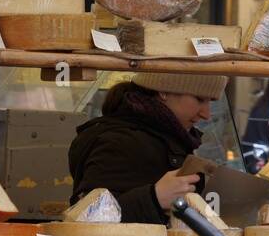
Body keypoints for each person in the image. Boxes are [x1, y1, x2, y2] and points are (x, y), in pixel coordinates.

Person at [68, 72, 228, 224]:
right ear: (164, 91)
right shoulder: (119, 141)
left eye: (210, 102)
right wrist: (154, 197)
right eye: (200, 99)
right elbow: (88, 218)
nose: (206, 114)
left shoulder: (171, 138)